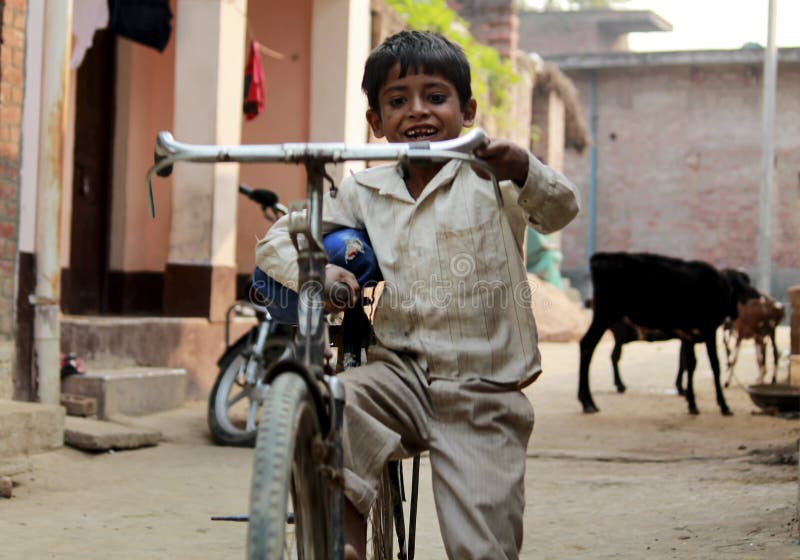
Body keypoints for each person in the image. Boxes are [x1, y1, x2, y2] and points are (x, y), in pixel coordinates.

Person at [255, 30, 579, 560]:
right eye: (397, 101)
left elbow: (561, 208)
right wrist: (322, 276)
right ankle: (343, 545)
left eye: (436, 97)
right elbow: (280, 239)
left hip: (484, 388)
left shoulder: (491, 177)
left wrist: (521, 166)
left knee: (482, 547)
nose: (417, 112)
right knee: (336, 405)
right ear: (376, 123)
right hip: (399, 374)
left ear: (467, 109)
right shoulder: (364, 189)